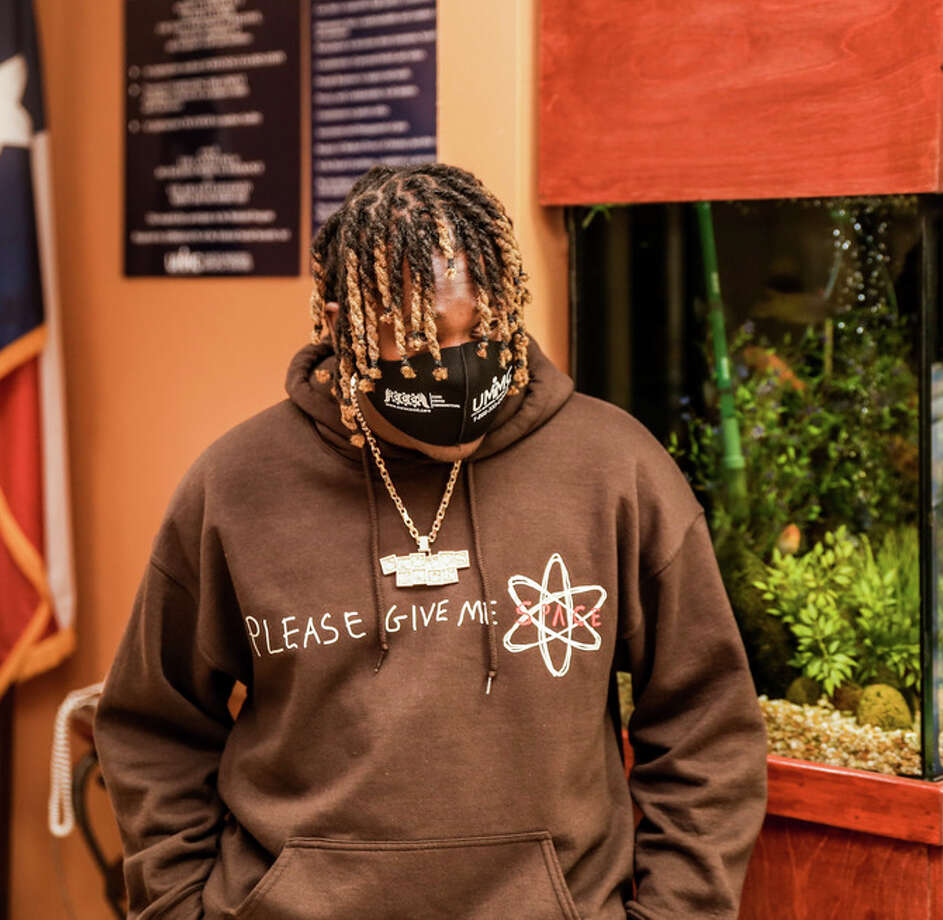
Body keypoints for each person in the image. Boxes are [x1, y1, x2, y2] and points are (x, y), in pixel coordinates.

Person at [93, 163, 768, 920]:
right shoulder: (236, 486)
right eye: (414, 343)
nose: (453, 364)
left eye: (478, 330)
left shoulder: (615, 469)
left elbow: (708, 728)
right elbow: (153, 728)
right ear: (338, 321)